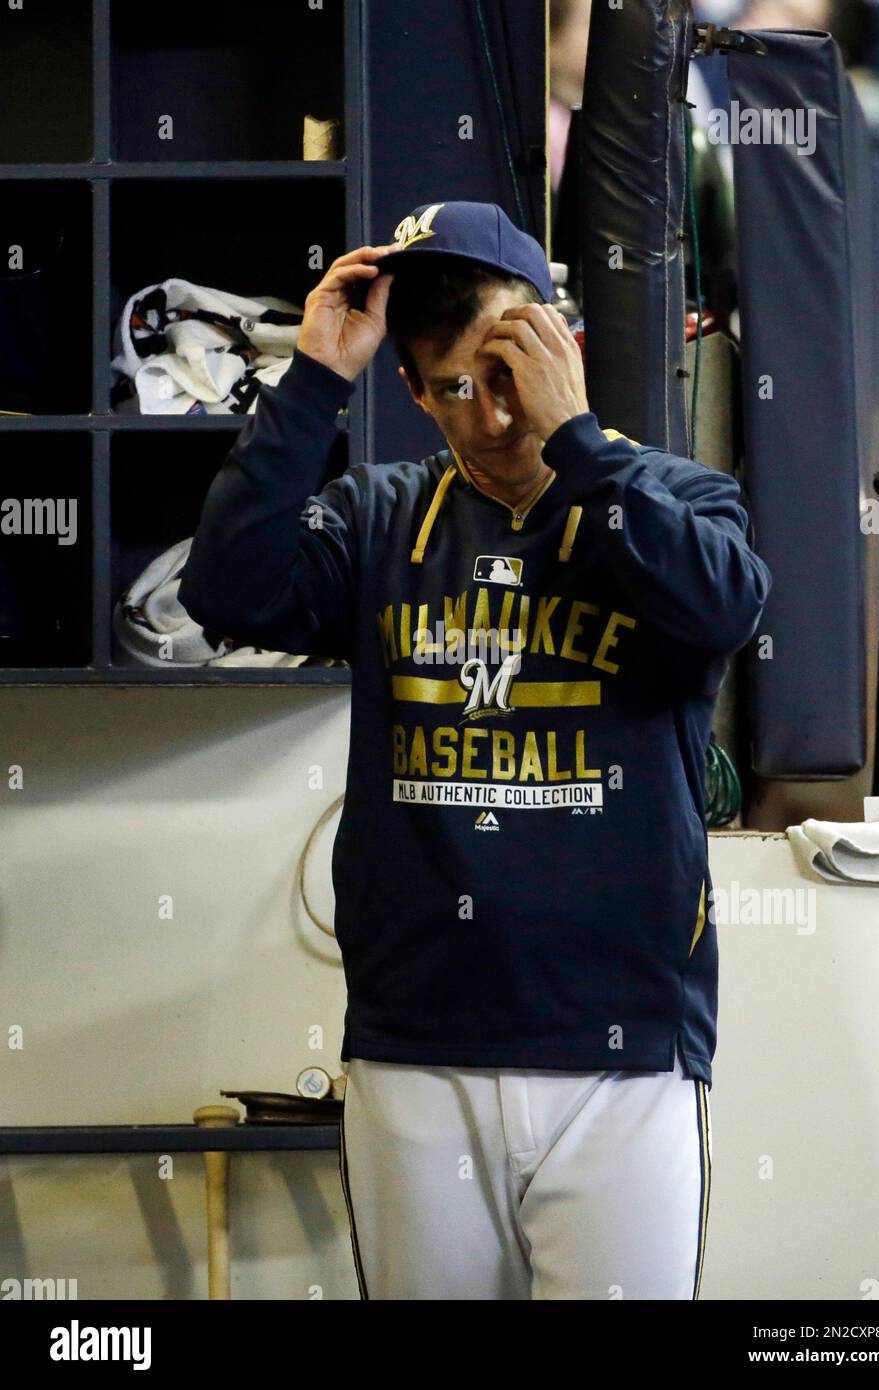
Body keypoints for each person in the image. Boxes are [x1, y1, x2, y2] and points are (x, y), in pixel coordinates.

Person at [178, 200, 773, 1300]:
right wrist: (313, 378)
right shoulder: (382, 516)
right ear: (412, 389)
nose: (495, 416)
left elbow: (724, 607)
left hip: (624, 1048)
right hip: (419, 1045)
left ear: (561, 346)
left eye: (513, 370)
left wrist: (582, 445)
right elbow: (226, 587)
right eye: (456, 385)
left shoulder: (667, 495)